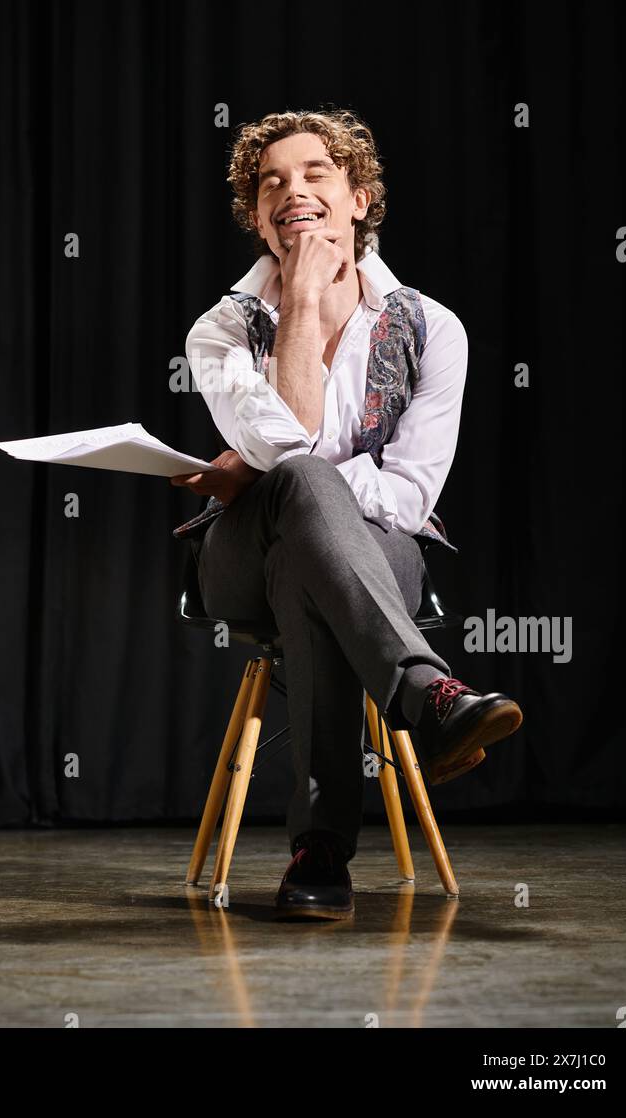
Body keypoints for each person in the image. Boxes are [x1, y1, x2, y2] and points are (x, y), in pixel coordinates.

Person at [171, 108, 522, 921]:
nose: (293, 192)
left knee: (311, 554)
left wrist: (280, 474)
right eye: (271, 186)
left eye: (315, 174)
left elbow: (407, 500)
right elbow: (290, 444)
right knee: (299, 496)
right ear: (258, 218)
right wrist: (297, 302)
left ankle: (320, 853)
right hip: (238, 563)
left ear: (359, 198)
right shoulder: (221, 332)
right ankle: (429, 699)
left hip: (379, 556)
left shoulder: (434, 329)